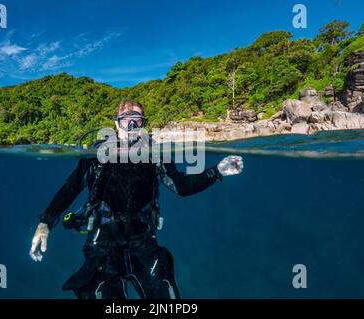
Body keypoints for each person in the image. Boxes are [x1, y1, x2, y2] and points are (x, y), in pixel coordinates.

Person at [29, 100, 244, 299]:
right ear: (116, 123)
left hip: (143, 243)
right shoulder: (97, 155)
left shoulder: (156, 154)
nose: (131, 125)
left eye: (137, 120)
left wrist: (217, 171)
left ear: (143, 124)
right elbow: (71, 187)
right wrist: (44, 224)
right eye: (126, 119)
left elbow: (181, 187)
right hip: (101, 245)